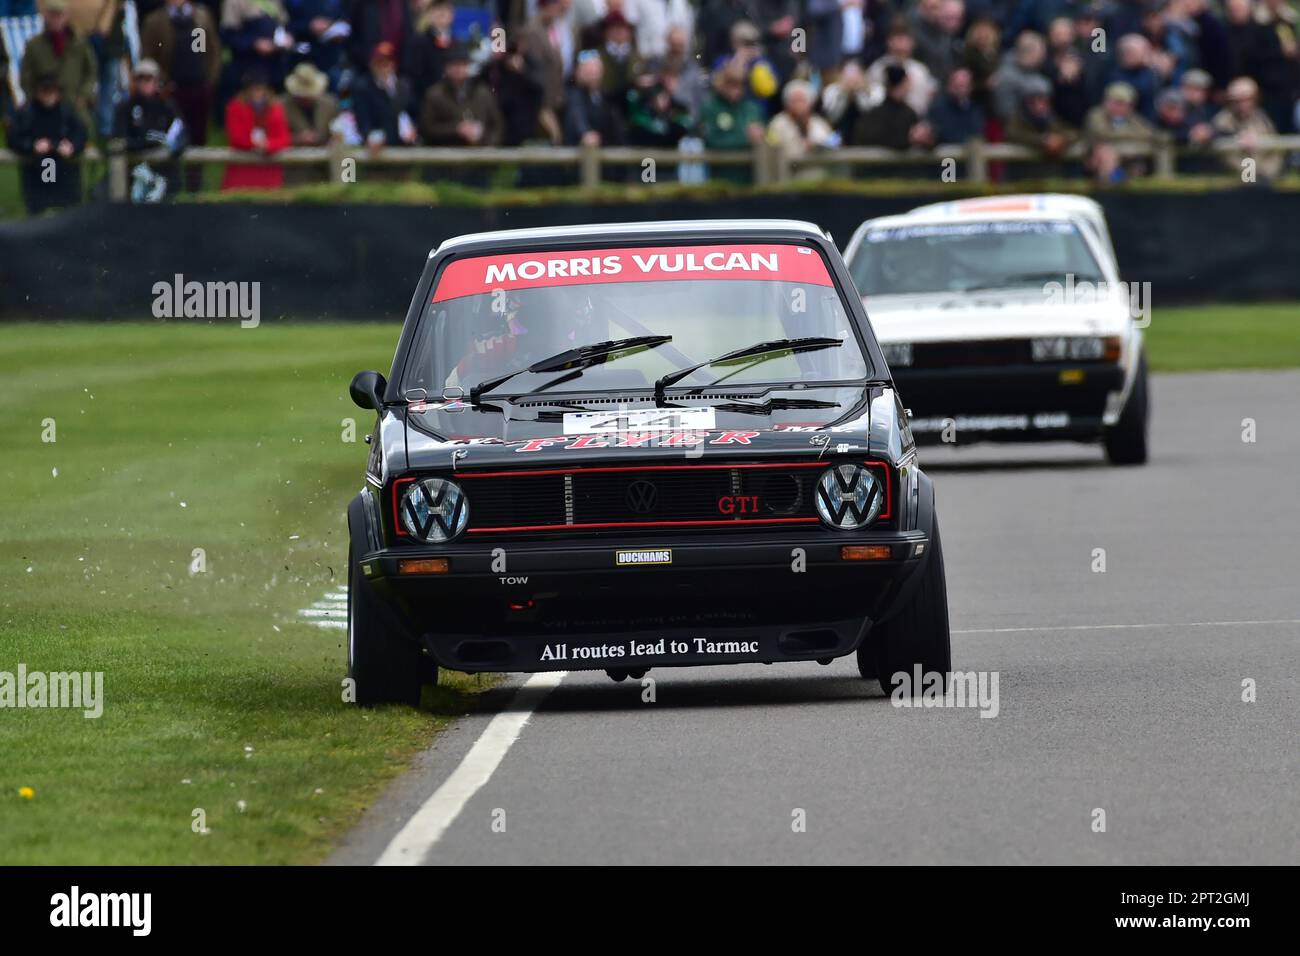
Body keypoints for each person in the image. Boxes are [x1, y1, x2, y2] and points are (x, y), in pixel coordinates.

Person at [141, 0, 222, 190]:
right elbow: (148, 55)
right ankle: (172, 184)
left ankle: (195, 184)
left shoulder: (201, 16)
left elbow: (212, 50)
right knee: (173, 136)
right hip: (172, 90)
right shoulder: (155, 21)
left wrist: (210, 80)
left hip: (199, 87)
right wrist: (160, 85)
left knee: (198, 136)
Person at [9, 72, 88, 214]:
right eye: (45, 91)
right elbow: (14, 138)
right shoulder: (27, 112)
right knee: (39, 217)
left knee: (68, 214)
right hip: (37, 173)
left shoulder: (67, 112)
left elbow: (81, 133)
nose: (48, 96)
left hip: (64, 173)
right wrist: (32, 146)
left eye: (52, 91)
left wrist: (72, 146)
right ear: (38, 92)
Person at [111, 58, 187, 198]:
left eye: (149, 78)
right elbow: (120, 139)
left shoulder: (168, 107)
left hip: (165, 174)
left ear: (157, 81)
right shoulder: (126, 108)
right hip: (136, 174)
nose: (146, 83)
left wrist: (170, 148)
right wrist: (148, 143)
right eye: (141, 78)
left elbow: (180, 135)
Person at [20, 0, 97, 128]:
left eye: (59, 15)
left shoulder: (79, 43)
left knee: (82, 131)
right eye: (52, 15)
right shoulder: (34, 45)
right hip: (43, 106)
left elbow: (91, 71)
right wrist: (36, 97)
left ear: (67, 16)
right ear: (45, 16)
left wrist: (84, 95)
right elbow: (25, 76)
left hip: (73, 103)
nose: (56, 19)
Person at [419, 44, 503, 145]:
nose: (458, 69)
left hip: (481, 153)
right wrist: (456, 129)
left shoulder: (483, 92)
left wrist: (486, 142)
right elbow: (427, 128)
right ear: (446, 68)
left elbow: (497, 125)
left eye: (462, 64)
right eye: (454, 65)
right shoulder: (434, 95)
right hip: (447, 155)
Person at [222, 69, 291, 190]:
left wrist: (268, 145)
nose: (256, 93)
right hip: (242, 169)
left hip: (269, 169)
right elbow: (235, 137)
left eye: (260, 89)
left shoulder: (275, 109)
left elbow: (284, 138)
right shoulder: (235, 107)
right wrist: (253, 144)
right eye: (253, 89)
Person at [1084, 81, 1160, 182]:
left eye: (1126, 104)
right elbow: (1102, 134)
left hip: (1129, 161)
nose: (1121, 107)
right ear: (1106, 102)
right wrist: (1130, 138)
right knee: (1106, 154)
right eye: (1117, 103)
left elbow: (1149, 134)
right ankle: (1109, 189)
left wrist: (1124, 141)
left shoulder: (1135, 119)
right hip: (1095, 160)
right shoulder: (1096, 115)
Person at [1212, 75, 1283, 178]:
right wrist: (1251, 174)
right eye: (1238, 100)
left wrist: (1268, 173)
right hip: (1234, 184)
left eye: (1247, 99)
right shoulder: (1222, 121)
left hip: (1265, 180)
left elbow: (1275, 151)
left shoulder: (1262, 118)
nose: (1243, 104)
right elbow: (1226, 158)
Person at [352, 40, 417, 151]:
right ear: (372, 65)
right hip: (377, 144)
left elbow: (413, 111)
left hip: (404, 143)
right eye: (379, 63)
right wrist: (370, 136)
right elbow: (362, 118)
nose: (384, 67)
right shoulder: (363, 87)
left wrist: (414, 128)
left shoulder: (404, 85)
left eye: (387, 63)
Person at [765, 78, 838, 175]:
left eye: (802, 100)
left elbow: (834, 142)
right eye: (794, 101)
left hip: (819, 179)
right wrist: (802, 148)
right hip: (789, 179)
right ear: (787, 103)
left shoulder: (819, 123)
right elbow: (771, 150)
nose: (798, 105)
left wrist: (818, 146)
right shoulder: (777, 124)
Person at [865, 21, 938, 116]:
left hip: (914, 121)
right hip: (885, 121)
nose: (901, 43)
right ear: (889, 41)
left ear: (912, 43)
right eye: (898, 38)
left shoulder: (920, 70)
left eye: (905, 39)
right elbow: (870, 101)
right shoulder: (878, 68)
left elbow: (928, 100)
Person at [855, 62, 934, 149]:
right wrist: (909, 139)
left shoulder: (909, 113)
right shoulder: (875, 114)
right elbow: (871, 140)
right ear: (905, 83)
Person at [1003, 73, 1076, 160]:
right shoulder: (1017, 118)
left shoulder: (1052, 118)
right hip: (1021, 170)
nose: (1039, 106)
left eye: (1043, 101)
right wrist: (1042, 140)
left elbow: (1073, 133)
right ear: (1025, 103)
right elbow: (1013, 135)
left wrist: (1061, 139)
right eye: (1033, 102)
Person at [564, 48, 626, 145]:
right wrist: (585, 133)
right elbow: (577, 114)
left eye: (595, 69)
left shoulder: (604, 96)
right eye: (588, 69)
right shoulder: (574, 94)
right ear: (578, 72)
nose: (593, 73)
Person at [404, 0, 454, 107]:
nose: (442, 13)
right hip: (427, 103)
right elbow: (413, 77)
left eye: (446, 9)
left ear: (452, 14)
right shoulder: (418, 42)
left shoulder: (456, 43)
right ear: (429, 14)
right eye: (437, 9)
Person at [284, 61, 338, 145]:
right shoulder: (282, 106)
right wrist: (298, 138)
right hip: (294, 153)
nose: (306, 99)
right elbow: (276, 136)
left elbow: (336, 132)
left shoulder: (330, 105)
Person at [927, 66, 985, 143]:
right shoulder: (937, 108)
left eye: (964, 86)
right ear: (949, 86)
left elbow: (977, 133)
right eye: (957, 86)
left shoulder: (975, 110)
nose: (961, 90)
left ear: (971, 87)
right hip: (946, 153)